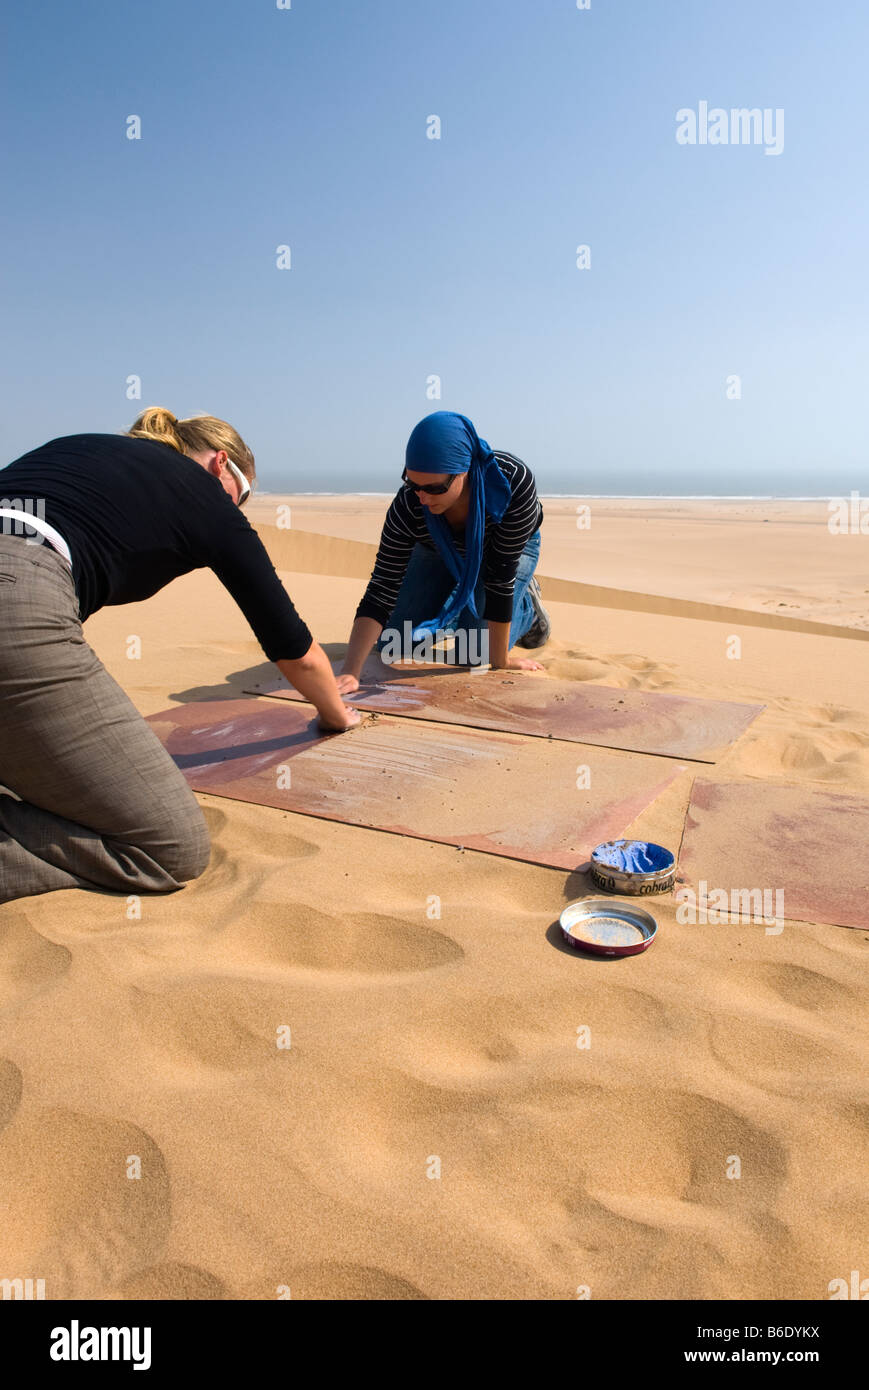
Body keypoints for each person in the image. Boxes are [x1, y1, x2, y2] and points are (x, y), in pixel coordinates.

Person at [0, 407, 359, 907]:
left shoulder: (79, 447)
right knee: (168, 846)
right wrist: (336, 714)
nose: (240, 509)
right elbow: (291, 646)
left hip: (20, 588)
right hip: (15, 590)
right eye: (245, 496)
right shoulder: (206, 497)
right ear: (221, 465)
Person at [338, 411, 550, 693]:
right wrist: (351, 672)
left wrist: (501, 661)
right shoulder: (409, 506)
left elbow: (500, 579)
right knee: (391, 643)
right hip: (436, 547)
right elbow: (382, 588)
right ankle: (457, 603)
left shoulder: (512, 483)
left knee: (472, 654)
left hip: (502, 553)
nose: (422, 498)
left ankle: (526, 607)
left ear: (464, 471)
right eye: (412, 485)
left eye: (434, 488)